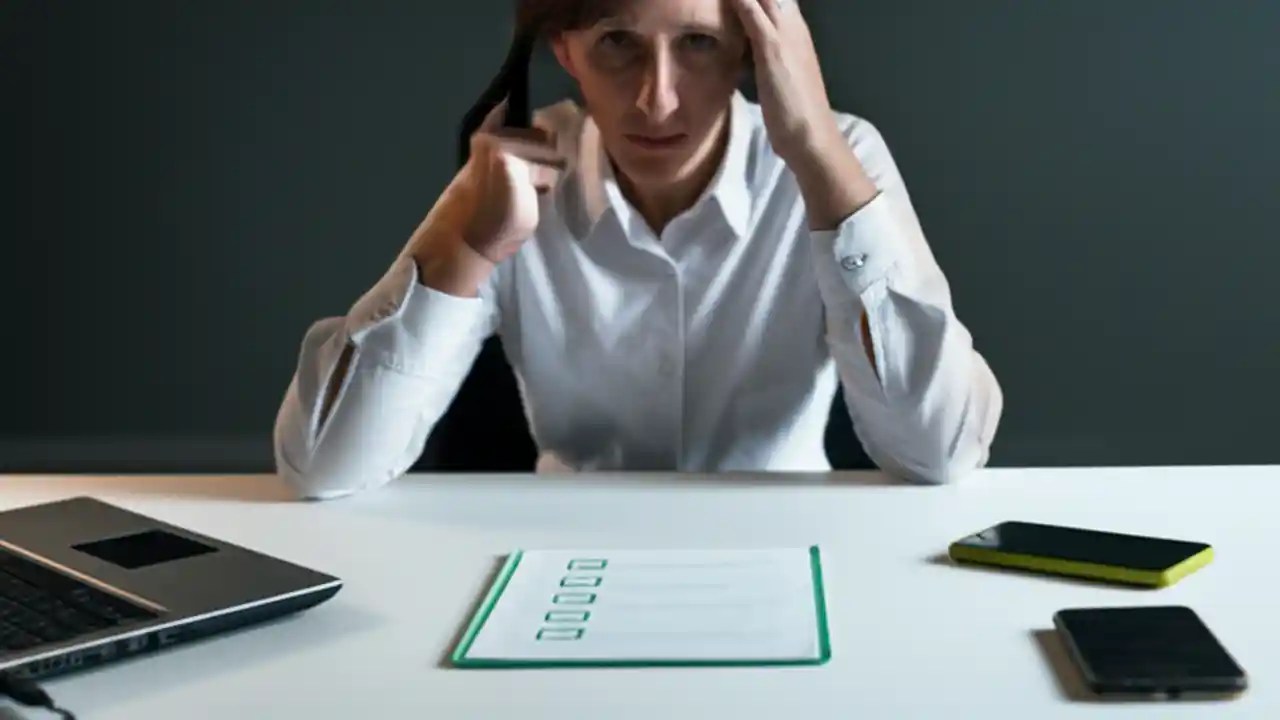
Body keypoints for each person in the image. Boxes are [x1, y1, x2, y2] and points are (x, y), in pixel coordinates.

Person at [272, 0, 1003, 500]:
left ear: (754, 49)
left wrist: (812, 144)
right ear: (566, 49)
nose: (657, 100)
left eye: (698, 43)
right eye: (618, 42)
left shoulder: (838, 159)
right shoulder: (514, 179)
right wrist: (463, 240)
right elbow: (326, 467)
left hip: (786, 542)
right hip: (561, 555)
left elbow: (938, 449)